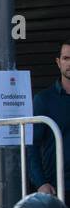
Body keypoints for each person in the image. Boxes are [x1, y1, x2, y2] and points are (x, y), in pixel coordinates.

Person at [30, 39, 70, 197]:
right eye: (66, 58)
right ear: (58, 62)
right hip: (59, 188)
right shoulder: (43, 100)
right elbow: (31, 146)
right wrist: (41, 183)